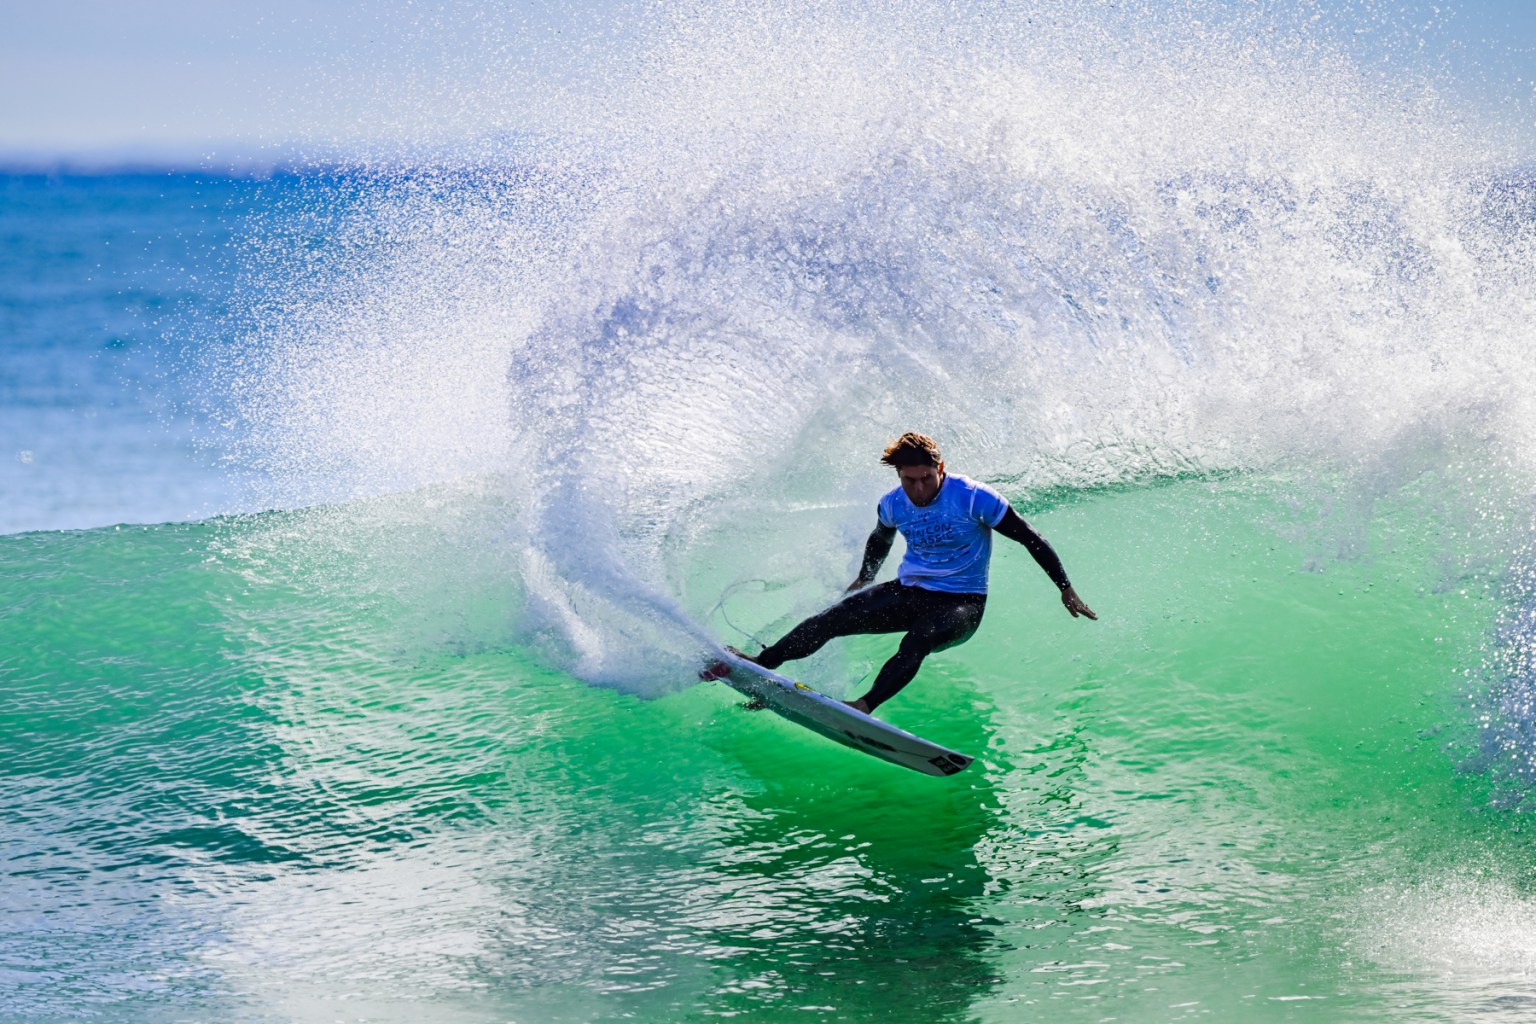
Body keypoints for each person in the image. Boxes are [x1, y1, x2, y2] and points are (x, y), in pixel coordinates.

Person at [731, 432, 1095, 716]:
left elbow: (1030, 537)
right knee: (831, 618)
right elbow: (880, 537)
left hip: (962, 603)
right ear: (898, 475)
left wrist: (1065, 587)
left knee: (919, 639)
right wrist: (866, 577)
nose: (918, 489)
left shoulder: (973, 497)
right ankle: (760, 668)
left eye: (925, 479)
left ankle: (863, 707)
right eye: (909, 480)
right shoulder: (893, 502)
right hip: (910, 591)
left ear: (940, 468)